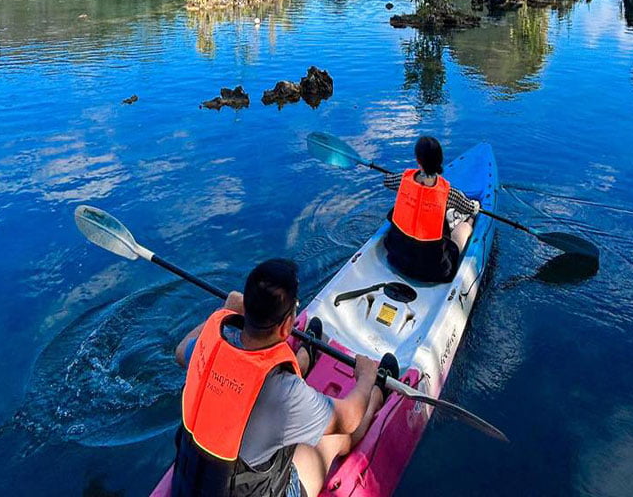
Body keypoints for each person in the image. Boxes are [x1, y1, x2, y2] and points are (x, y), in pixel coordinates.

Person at [171, 258, 391, 497]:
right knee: (336, 437)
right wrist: (366, 377)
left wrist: (226, 310)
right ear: (286, 326)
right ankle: (378, 396)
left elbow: (181, 351)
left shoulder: (208, 350)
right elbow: (349, 419)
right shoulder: (286, 393)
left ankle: (304, 358)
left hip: (190, 488)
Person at [383, 136, 481, 283]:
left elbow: (387, 181)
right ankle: (469, 222)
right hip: (434, 271)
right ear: (440, 161)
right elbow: (470, 207)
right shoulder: (449, 193)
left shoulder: (402, 180)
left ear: (418, 161)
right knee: (465, 225)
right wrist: (476, 206)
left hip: (397, 259)